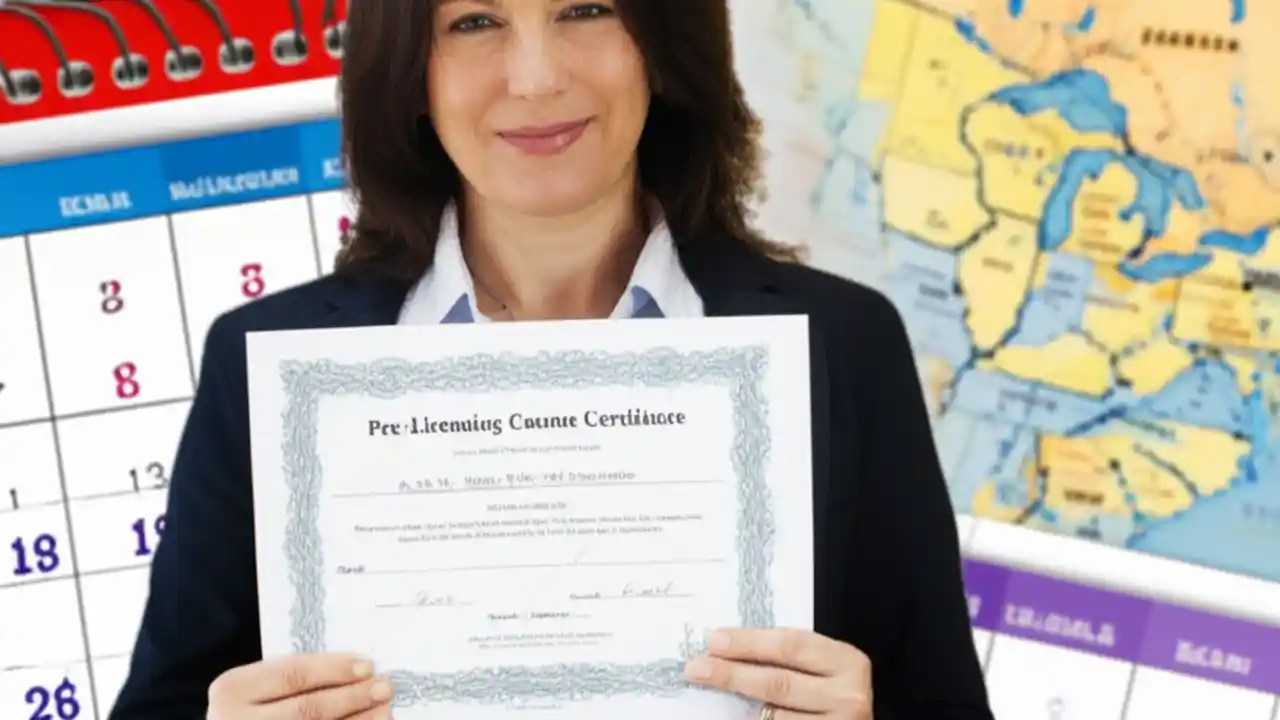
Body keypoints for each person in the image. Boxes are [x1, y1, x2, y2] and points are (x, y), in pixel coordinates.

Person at [108, 1, 994, 718]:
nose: (535, 77)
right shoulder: (267, 362)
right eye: (475, 23)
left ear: (663, 44)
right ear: (409, 70)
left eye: (586, 10)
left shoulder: (841, 345)